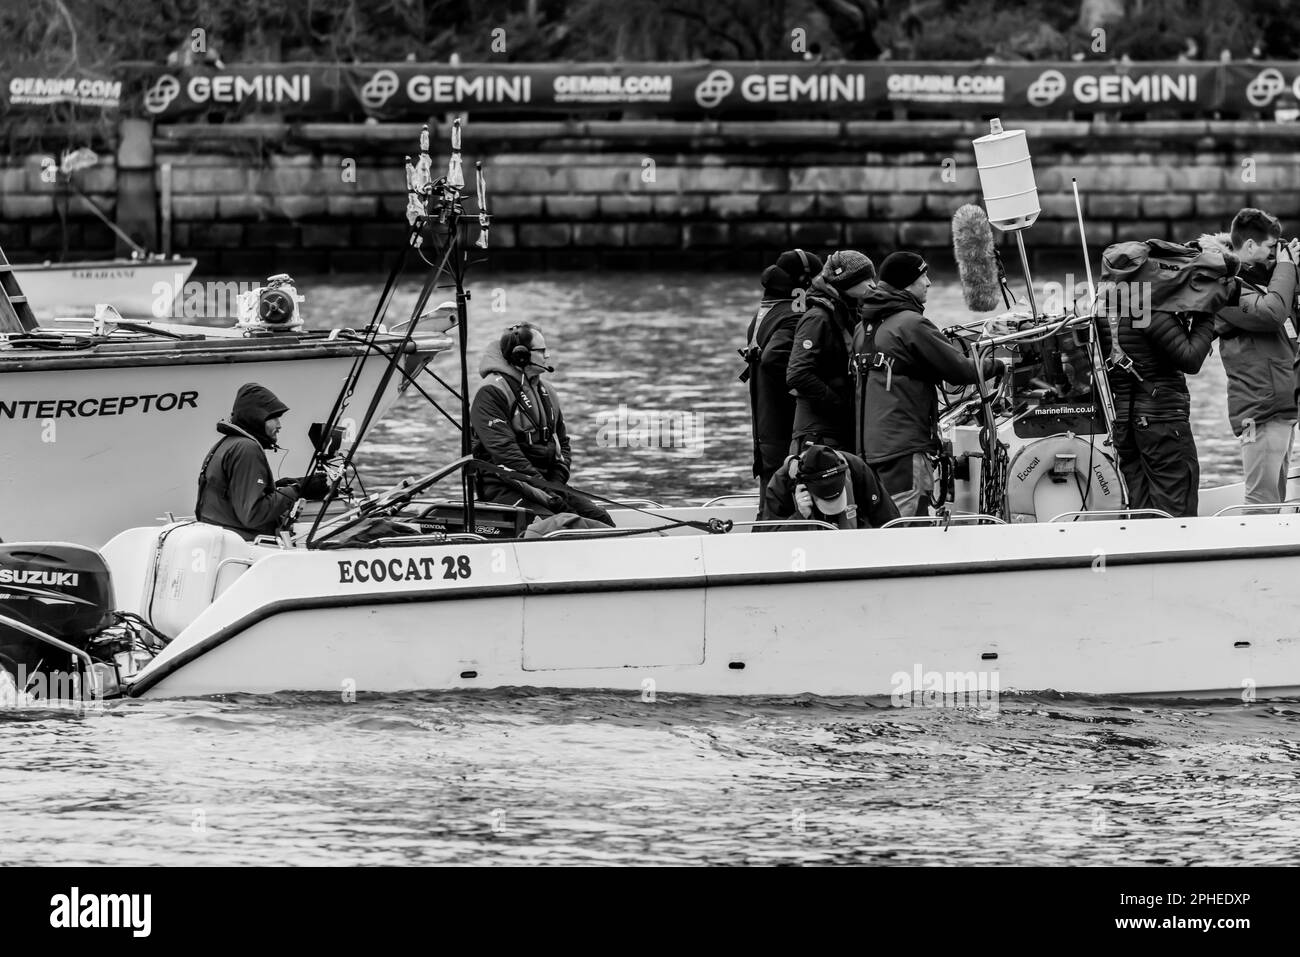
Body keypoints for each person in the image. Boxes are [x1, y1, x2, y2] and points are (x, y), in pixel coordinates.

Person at [854, 252, 1004, 517]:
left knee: (882, 521)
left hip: (869, 450)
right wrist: (1002, 363)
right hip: (904, 447)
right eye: (923, 275)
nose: (929, 282)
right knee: (909, 523)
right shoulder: (911, 324)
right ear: (907, 283)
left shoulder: (863, 327)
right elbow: (961, 370)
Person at [1201, 211, 1300, 506]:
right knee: (1262, 501)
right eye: (1271, 248)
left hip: (1280, 403)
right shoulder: (1222, 284)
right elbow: (1270, 314)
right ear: (1251, 246)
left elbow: (1283, 311)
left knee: (1275, 498)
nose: (1275, 254)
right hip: (1259, 407)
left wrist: (1293, 270)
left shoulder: (1262, 279)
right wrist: (1285, 268)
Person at [470, 322, 612, 525]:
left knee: (601, 518)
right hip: (505, 487)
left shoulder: (547, 391)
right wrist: (548, 491)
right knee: (559, 523)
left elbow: (563, 444)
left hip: (547, 486)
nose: (547, 356)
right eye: (542, 350)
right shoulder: (491, 393)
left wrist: (555, 485)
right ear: (521, 355)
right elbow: (505, 452)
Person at [741, 248, 824, 505]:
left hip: (765, 430)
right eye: (818, 277)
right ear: (804, 282)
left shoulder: (764, 314)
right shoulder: (794, 315)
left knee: (770, 500)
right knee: (785, 505)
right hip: (785, 429)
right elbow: (776, 359)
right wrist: (812, 390)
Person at [196, 383, 329, 540]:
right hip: (244, 544)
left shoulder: (227, 444)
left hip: (221, 537)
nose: (279, 425)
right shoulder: (247, 448)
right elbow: (253, 514)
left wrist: (277, 487)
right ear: (256, 418)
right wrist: (298, 490)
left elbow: (233, 496)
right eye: (273, 418)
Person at [786, 250, 876, 453]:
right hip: (818, 435)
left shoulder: (851, 313)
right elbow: (797, 374)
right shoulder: (818, 317)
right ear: (845, 282)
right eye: (866, 278)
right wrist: (841, 405)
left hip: (841, 432)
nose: (873, 284)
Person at [760, 444, 900, 531]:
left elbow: (890, 521)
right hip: (805, 560)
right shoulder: (782, 482)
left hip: (856, 551)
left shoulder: (857, 469)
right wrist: (800, 517)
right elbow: (769, 543)